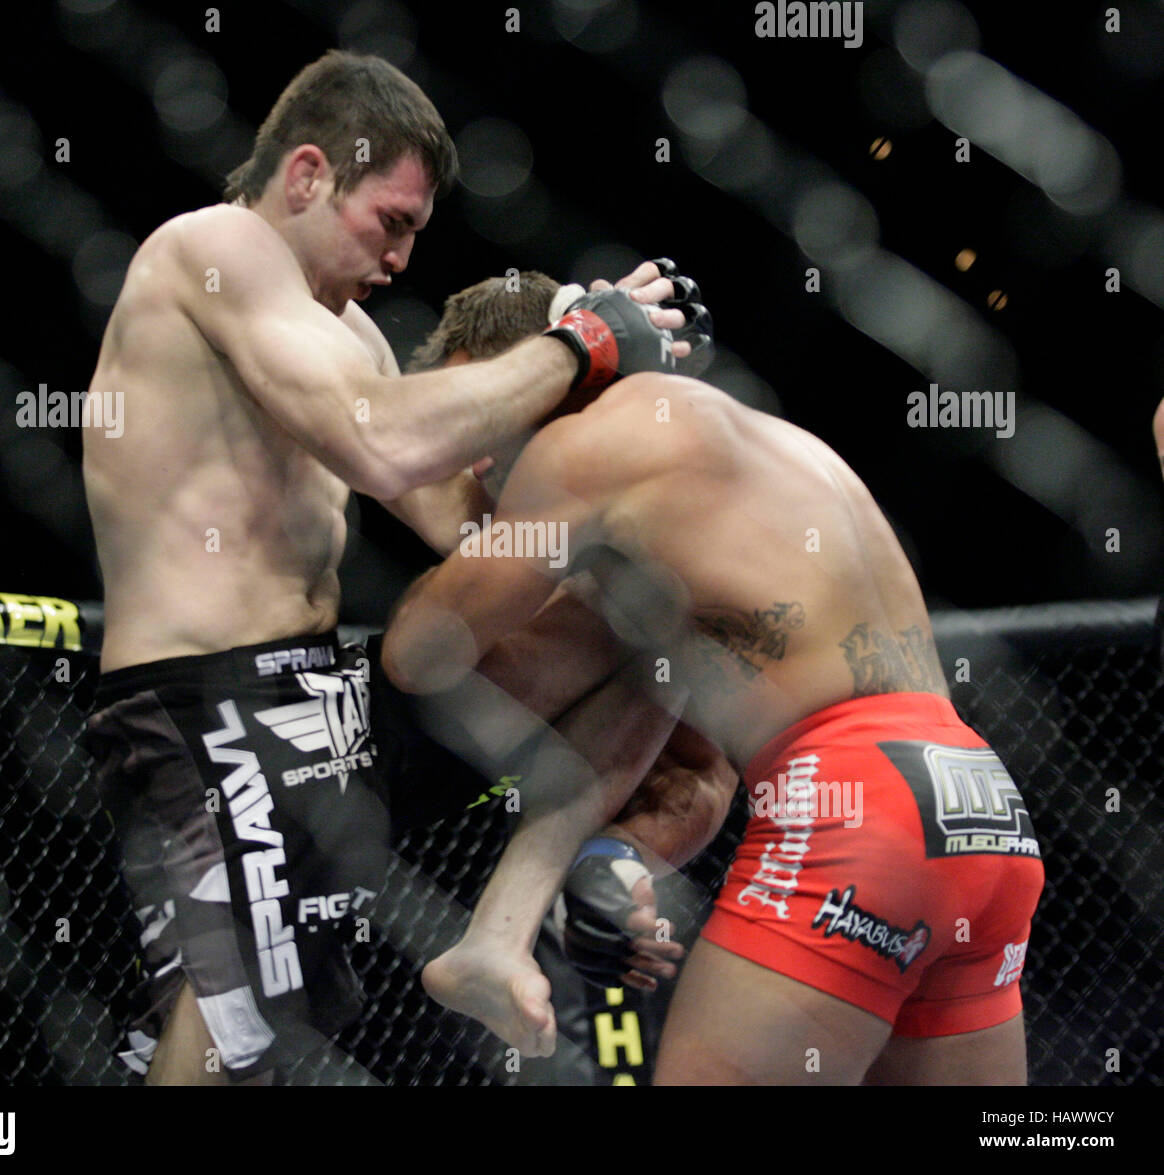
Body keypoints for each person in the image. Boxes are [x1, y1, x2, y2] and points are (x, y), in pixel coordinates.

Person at [80, 50, 687, 1085]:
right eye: (390, 222)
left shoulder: (344, 331)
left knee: (638, 642)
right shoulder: (213, 250)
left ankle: (498, 937)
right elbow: (382, 442)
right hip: (210, 704)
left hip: (325, 702)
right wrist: (574, 346)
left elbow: (462, 523)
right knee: (235, 1020)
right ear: (308, 174)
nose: (402, 259)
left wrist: (593, 429)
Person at [383, 275, 1046, 1084]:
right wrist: (614, 855)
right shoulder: (772, 446)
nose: (478, 455)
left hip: (849, 813)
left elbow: (419, 652)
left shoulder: (588, 448)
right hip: (979, 807)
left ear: (545, 367)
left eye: (482, 413)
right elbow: (695, 757)